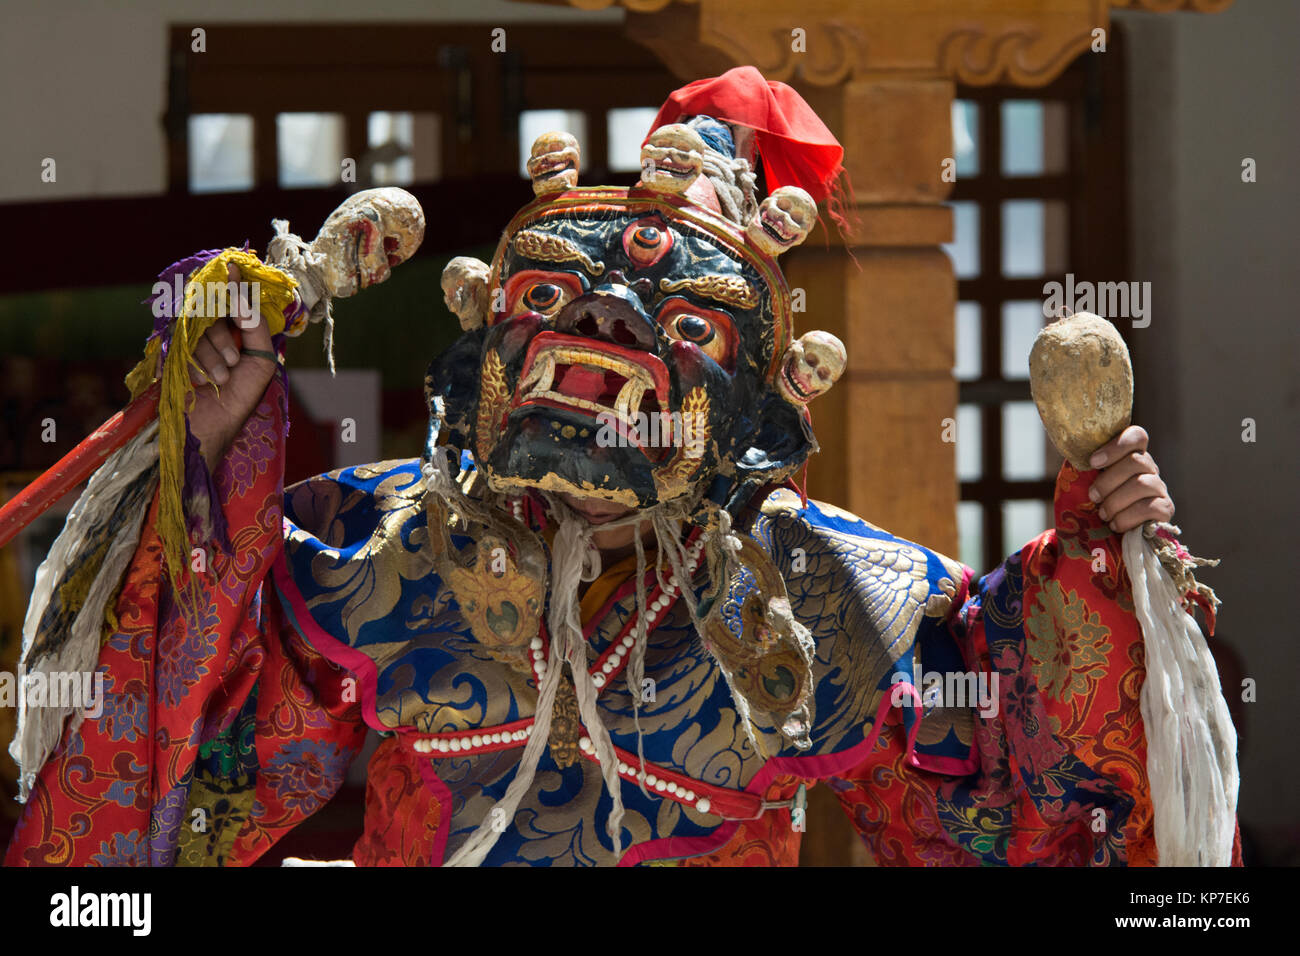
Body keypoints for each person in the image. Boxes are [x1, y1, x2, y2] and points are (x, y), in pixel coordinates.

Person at [5, 67, 1229, 867]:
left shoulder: (824, 591)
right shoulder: (391, 542)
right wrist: (209, 448)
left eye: (684, 323)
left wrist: (1101, 556)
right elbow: (189, 773)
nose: (599, 326)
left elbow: (1016, 796)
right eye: (550, 299)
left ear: (759, 401)